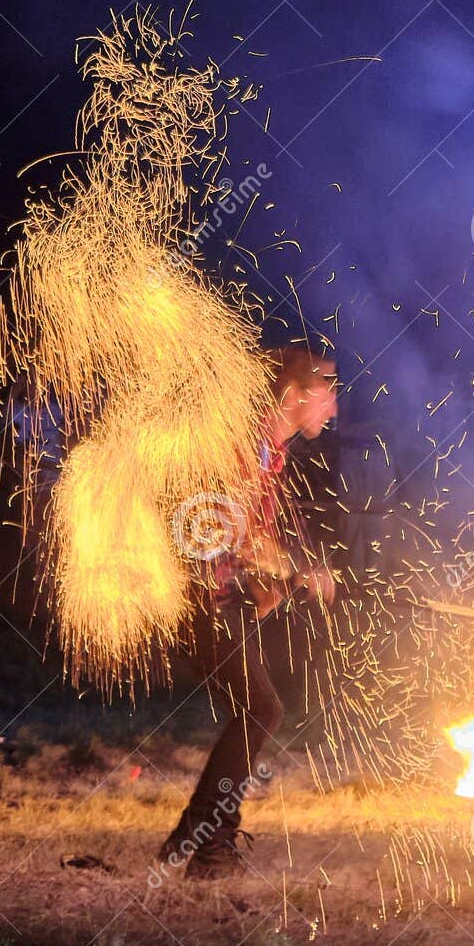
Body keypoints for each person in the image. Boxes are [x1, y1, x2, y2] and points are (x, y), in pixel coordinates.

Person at [159, 346, 339, 880]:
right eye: (329, 392)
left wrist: (283, 580)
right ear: (296, 393)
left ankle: (200, 841)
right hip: (199, 601)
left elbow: (250, 542)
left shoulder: (269, 454)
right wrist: (295, 570)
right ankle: (204, 844)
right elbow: (218, 525)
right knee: (262, 708)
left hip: (221, 600)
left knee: (258, 708)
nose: (334, 409)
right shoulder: (242, 447)